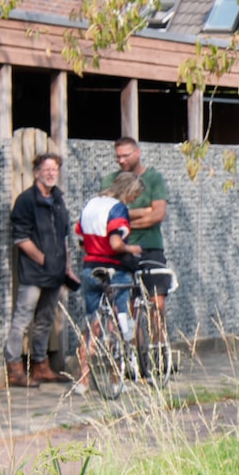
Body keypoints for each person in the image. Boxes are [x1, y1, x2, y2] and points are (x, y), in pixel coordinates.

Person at [5, 152, 75, 388]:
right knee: (22, 319)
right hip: (33, 273)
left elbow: (64, 237)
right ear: (36, 173)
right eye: (47, 170)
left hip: (56, 273)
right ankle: (14, 368)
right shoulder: (26, 200)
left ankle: (41, 366)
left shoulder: (58, 199)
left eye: (54, 169)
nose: (51, 173)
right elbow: (21, 238)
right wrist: (44, 260)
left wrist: (67, 267)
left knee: (45, 320)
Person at [71, 174, 144, 397]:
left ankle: (83, 381)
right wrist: (132, 249)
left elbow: (81, 240)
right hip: (114, 270)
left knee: (91, 324)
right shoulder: (118, 209)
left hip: (90, 268)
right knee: (117, 325)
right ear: (129, 191)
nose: (133, 200)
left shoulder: (91, 205)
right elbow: (116, 243)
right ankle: (115, 380)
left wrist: (95, 250)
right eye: (134, 195)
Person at [108, 137, 170, 311]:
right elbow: (107, 214)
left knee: (157, 302)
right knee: (126, 304)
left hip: (150, 247)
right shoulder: (111, 180)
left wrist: (122, 224)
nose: (121, 160)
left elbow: (158, 214)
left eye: (126, 156)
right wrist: (144, 211)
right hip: (120, 248)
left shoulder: (154, 178)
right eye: (118, 156)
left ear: (138, 153)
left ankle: (156, 331)